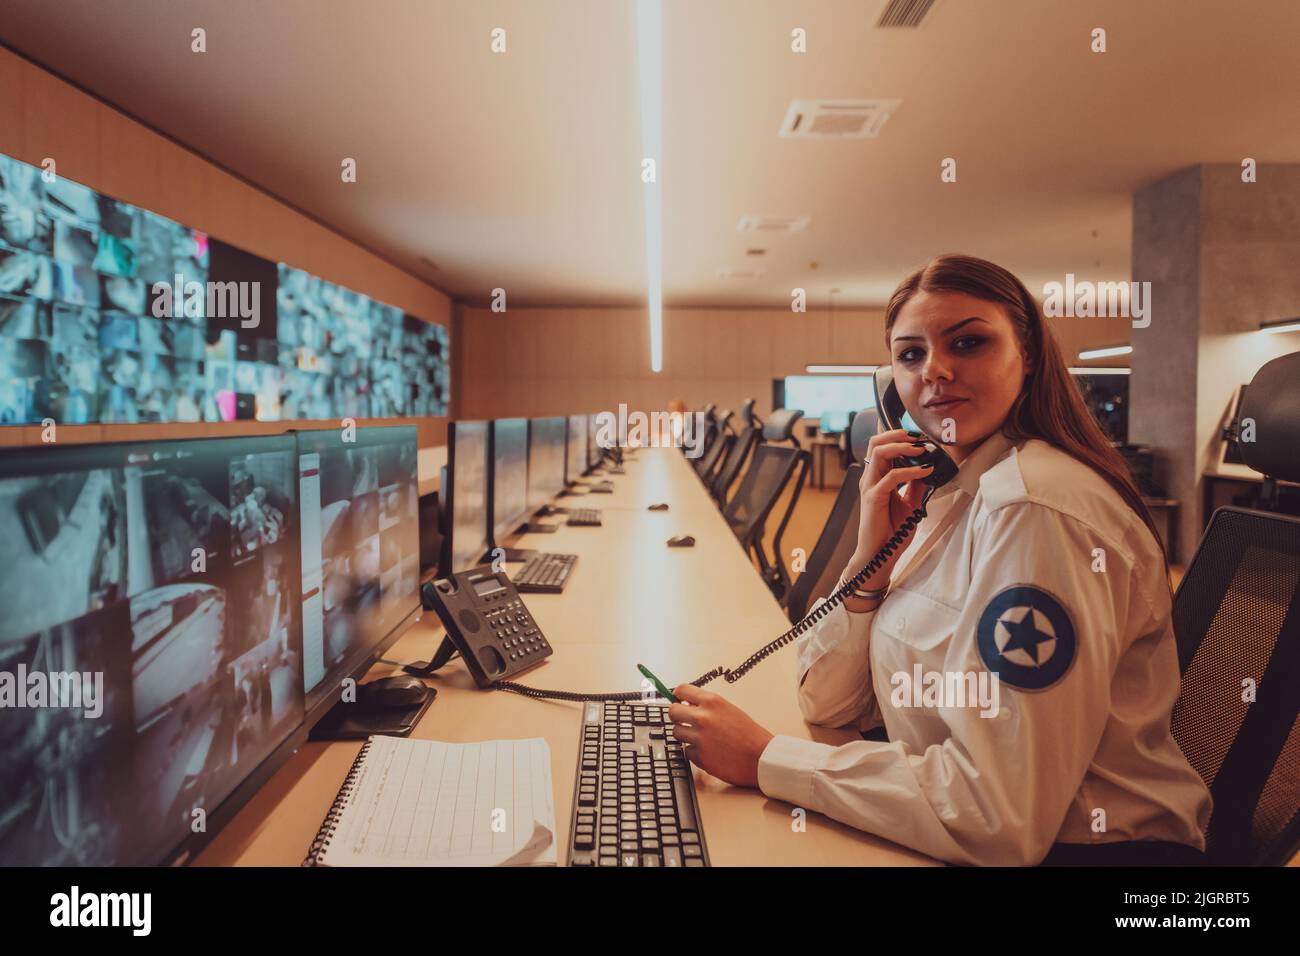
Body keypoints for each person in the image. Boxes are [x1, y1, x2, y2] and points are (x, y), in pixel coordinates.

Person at [668, 254, 1212, 866]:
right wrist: (869, 565)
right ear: (890, 387)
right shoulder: (954, 496)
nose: (936, 371)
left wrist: (768, 759)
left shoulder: (1033, 510)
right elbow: (826, 701)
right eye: (909, 355)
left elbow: (998, 816)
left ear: (1028, 356)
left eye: (969, 342)